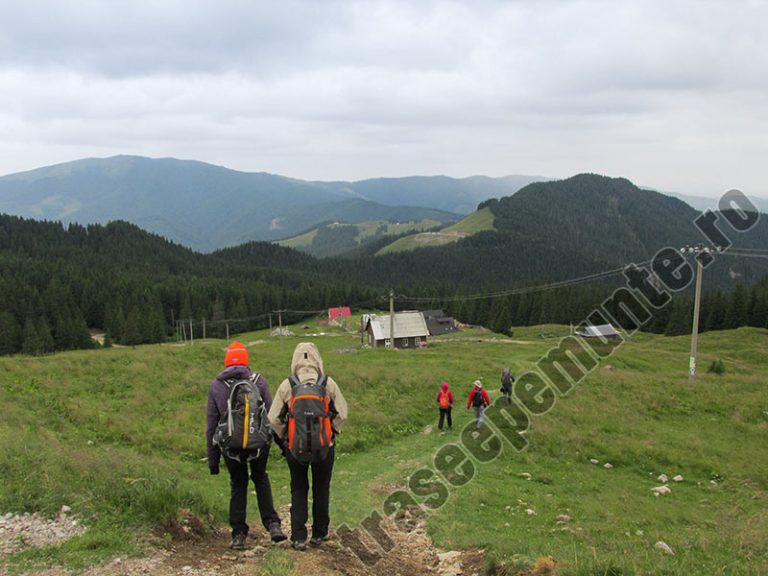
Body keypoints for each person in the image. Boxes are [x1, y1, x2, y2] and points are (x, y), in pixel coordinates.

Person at [206, 341, 287, 550]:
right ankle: (273, 525)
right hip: (259, 444)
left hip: (230, 447)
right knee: (260, 478)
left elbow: (212, 424)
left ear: (227, 362)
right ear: (245, 361)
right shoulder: (258, 381)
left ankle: (239, 534)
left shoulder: (216, 386)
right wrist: (283, 446)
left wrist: (213, 461)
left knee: (238, 483)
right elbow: (271, 417)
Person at [268, 342, 348, 551]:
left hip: (295, 448)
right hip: (325, 446)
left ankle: (298, 537)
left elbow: (273, 418)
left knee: (298, 488)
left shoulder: (288, 385)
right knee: (322, 487)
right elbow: (343, 413)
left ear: (295, 360)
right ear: (318, 360)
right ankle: (319, 534)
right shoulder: (328, 383)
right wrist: (331, 431)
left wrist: (286, 437)